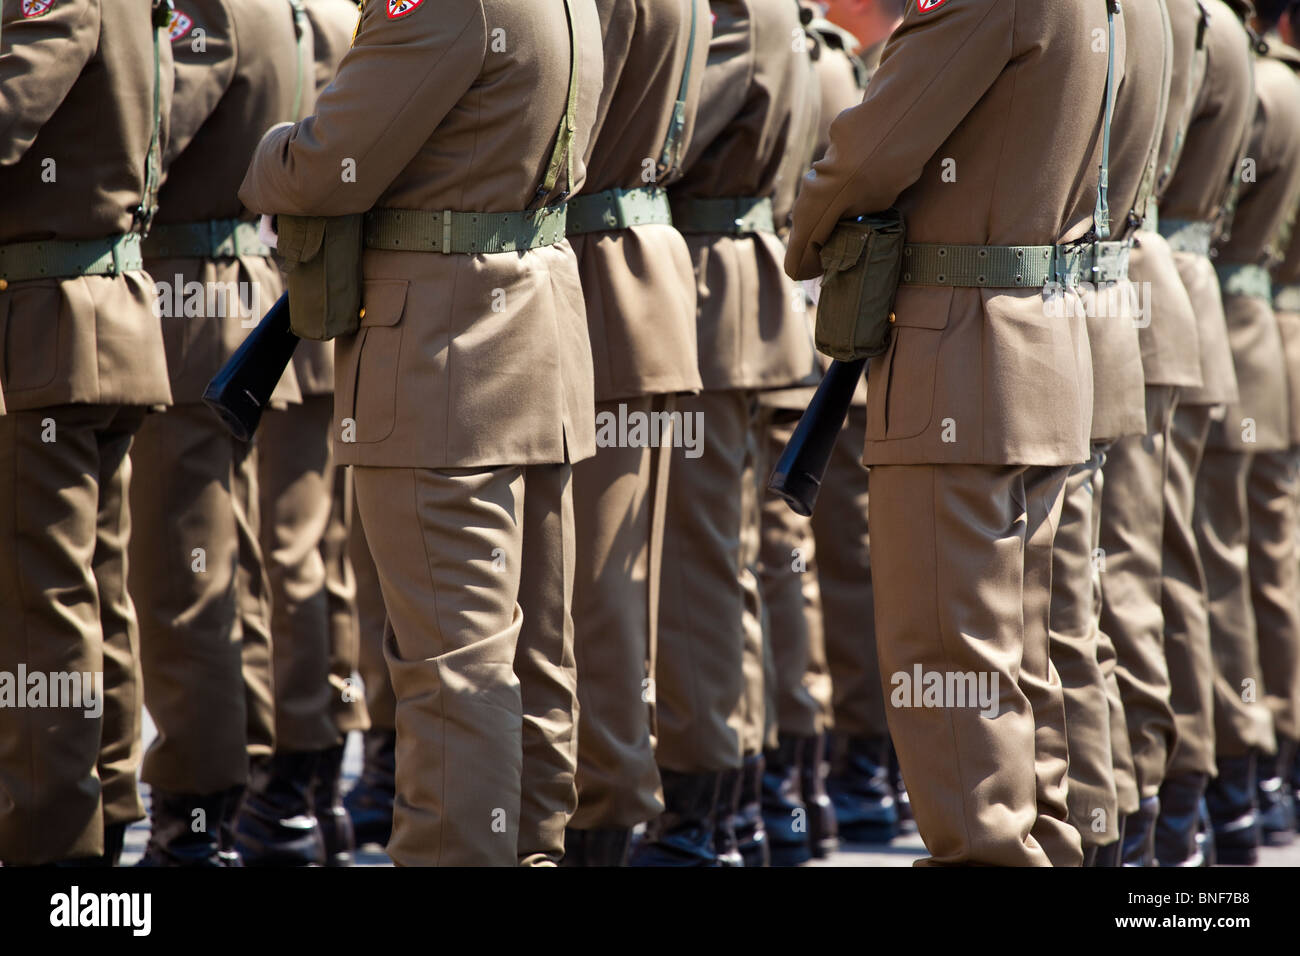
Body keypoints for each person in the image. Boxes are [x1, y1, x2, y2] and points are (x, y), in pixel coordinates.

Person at [240, 0, 604, 867]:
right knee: (535, 660)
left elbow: (326, 164)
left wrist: (267, 153)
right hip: (534, 336)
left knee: (456, 668)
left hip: (447, 354)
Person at [786, 0, 1119, 867]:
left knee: (950, 660)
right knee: (1022, 660)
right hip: (1040, 349)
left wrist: (809, 226)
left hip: (962, 357)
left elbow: (867, 149)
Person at [633, 0, 819, 867]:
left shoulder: (738, 11)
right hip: (718, 298)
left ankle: (703, 811)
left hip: (708, 304)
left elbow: (647, 139)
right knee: (722, 562)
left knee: (695, 569)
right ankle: (733, 798)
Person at [0, 0, 174, 868]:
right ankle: (103, 815)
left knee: (42, 608)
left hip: (51, 328)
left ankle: (54, 851)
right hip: (94, 322)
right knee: (93, 588)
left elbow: (11, 111)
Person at [131, 0, 304, 867]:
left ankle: (196, 819)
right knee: (224, 566)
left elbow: (143, 135)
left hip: (191, 306)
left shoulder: (209, 9)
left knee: (181, 575)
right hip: (219, 298)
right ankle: (258, 803)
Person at [561, 0, 710, 868]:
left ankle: (599, 814)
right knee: (617, 586)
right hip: (630, 274)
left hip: (592, 275)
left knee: (592, 592)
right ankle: (604, 807)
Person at [248, 0, 368, 869]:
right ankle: (318, 782)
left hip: (256, 301)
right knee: (319, 554)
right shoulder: (341, 12)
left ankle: (290, 785)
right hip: (313, 299)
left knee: (282, 558)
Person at [1195, 0, 1300, 863]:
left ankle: (1239, 762)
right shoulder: (1277, 83)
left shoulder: (1261, 89)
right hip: (1263, 339)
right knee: (1264, 562)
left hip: (1226, 332)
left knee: (1218, 565)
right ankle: (1266, 767)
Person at [1154, 0, 1256, 867]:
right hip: (1185, 296)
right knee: (1180, 561)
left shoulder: (1184, 21)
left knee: (1150, 563)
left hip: (1151, 299)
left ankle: (1173, 795)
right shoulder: (1226, 26)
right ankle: (1195, 799)